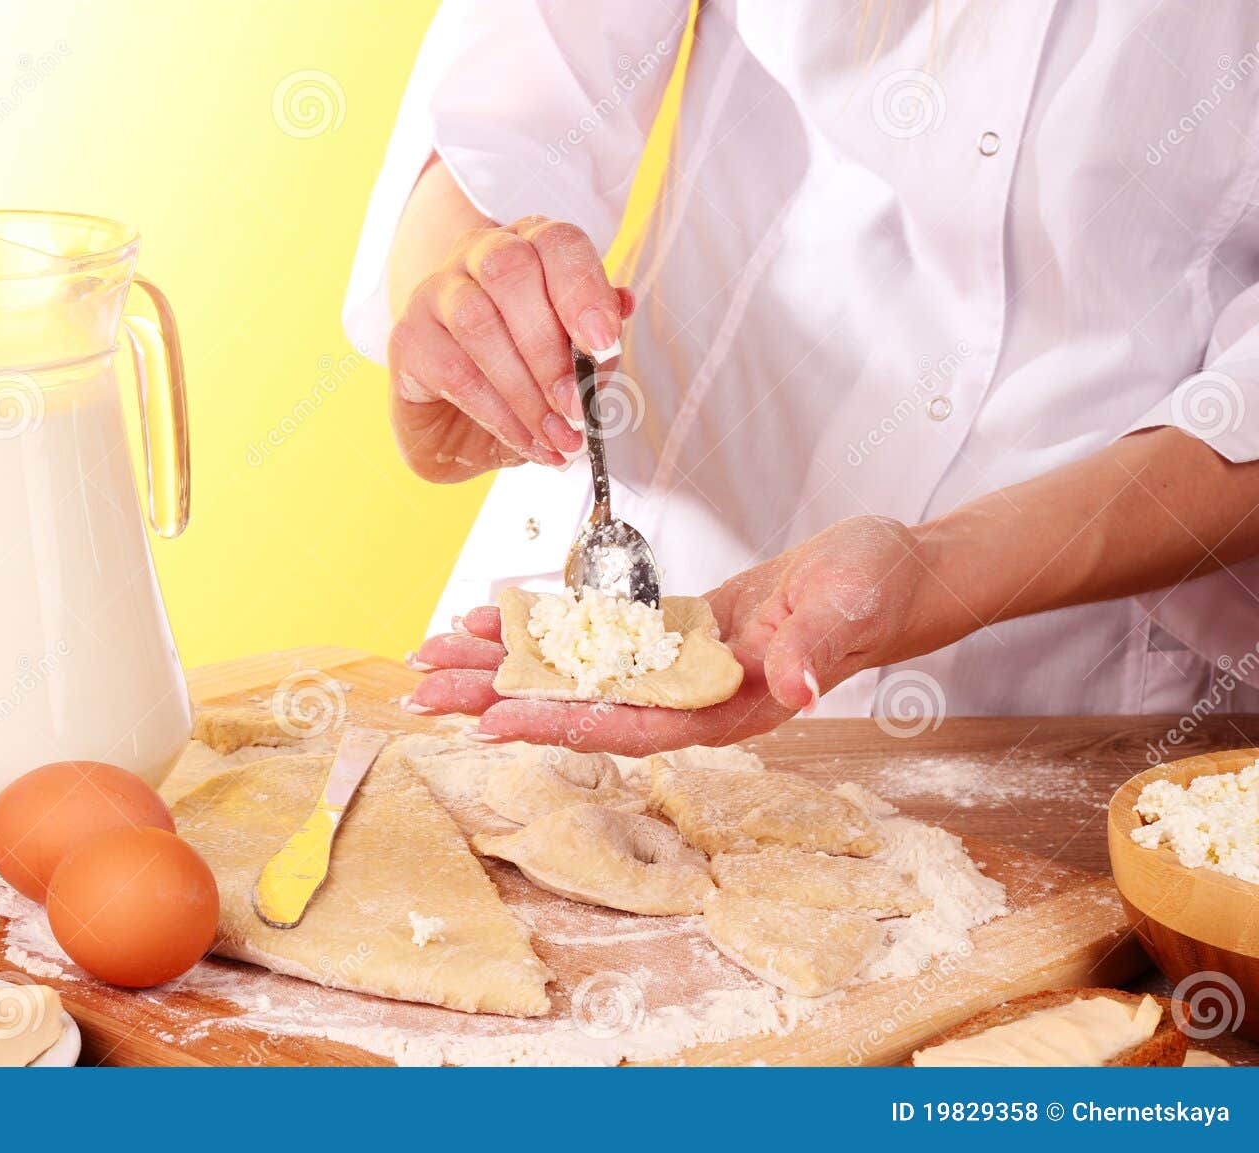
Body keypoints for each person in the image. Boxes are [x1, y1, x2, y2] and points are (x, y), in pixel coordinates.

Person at [342, 0, 1259, 755]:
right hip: (665, 555)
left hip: (1069, 683)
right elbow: (511, 108)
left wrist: (938, 570)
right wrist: (474, 309)